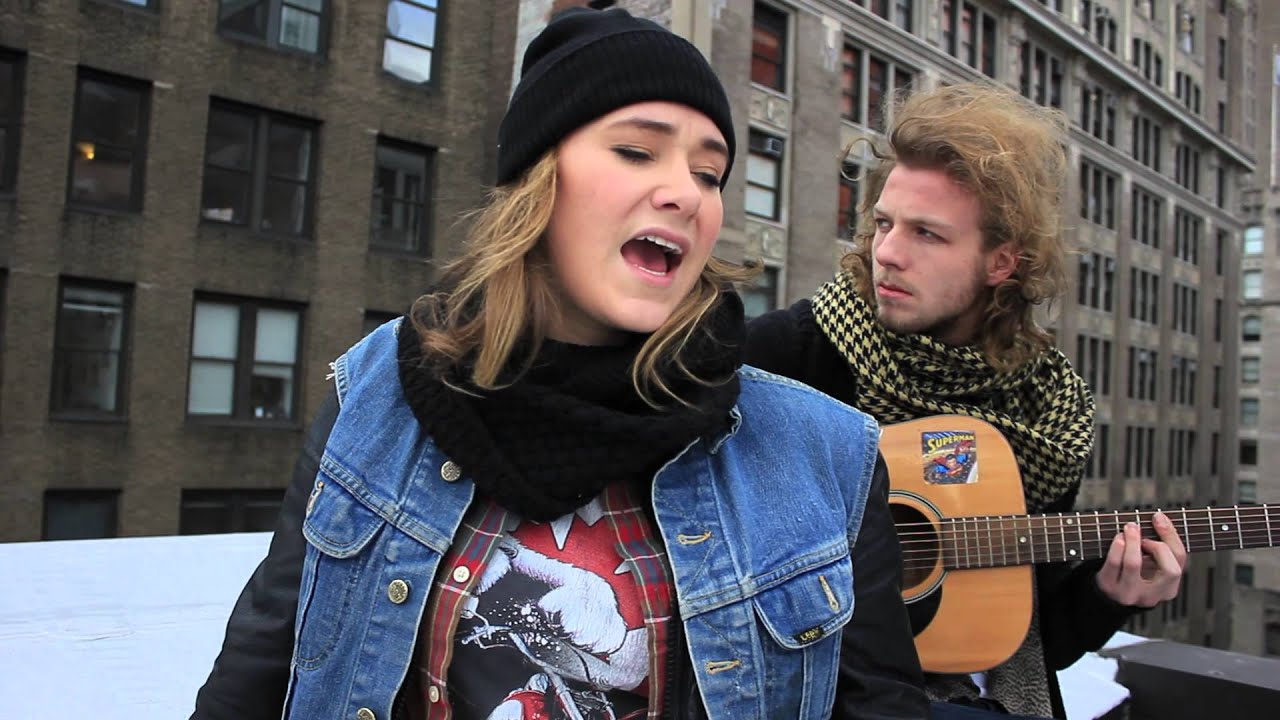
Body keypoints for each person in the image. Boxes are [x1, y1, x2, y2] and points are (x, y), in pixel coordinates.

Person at [190, 8, 929, 720]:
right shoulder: (380, 386)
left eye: (709, 174)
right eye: (637, 151)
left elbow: (882, 702)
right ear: (537, 179)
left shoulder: (825, 453)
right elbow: (263, 655)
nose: (687, 194)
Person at [744, 82, 1188, 719]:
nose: (887, 253)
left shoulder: (1046, 411)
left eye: (927, 234)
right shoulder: (789, 353)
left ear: (1000, 262)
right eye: (884, 224)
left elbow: (1023, 636)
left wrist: (1110, 596)